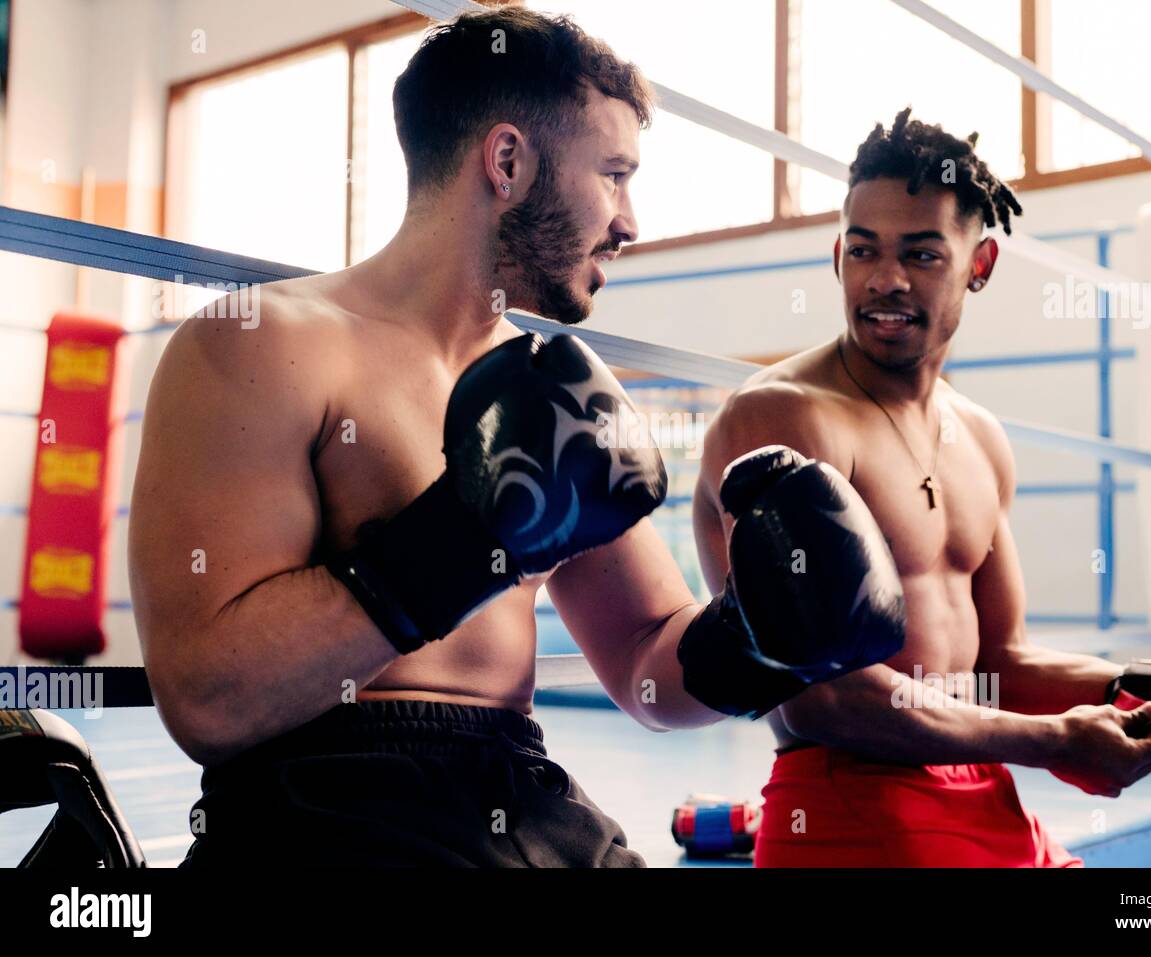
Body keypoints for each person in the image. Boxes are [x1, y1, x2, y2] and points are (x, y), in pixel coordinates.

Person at [129, 7, 904, 868]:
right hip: (324, 813)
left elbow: (648, 660)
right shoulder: (263, 343)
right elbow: (210, 700)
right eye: (613, 174)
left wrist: (764, 640)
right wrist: (465, 535)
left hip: (521, 801)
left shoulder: (552, 395)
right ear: (507, 162)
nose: (631, 221)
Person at [694, 108, 1151, 868]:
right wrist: (1050, 741)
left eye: (921, 254)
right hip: (850, 806)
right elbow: (821, 697)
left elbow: (1000, 666)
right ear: (837, 255)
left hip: (991, 795)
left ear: (979, 264)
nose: (886, 280)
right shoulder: (782, 418)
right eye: (864, 251)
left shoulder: (980, 437)